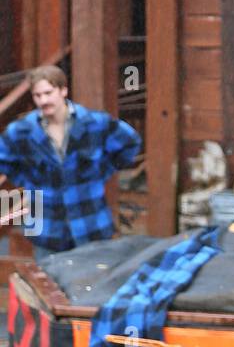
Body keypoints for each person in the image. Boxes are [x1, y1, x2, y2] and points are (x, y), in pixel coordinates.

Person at [0, 65, 142, 264]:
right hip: (46, 225)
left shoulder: (94, 123)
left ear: (63, 91)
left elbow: (130, 142)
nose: (44, 100)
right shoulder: (22, 131)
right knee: (48, 286)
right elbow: (3, 159)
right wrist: (28, 181)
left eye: (48, 93)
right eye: (37, 95)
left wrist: (103, 171)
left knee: (92, 284)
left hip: (90, 221)